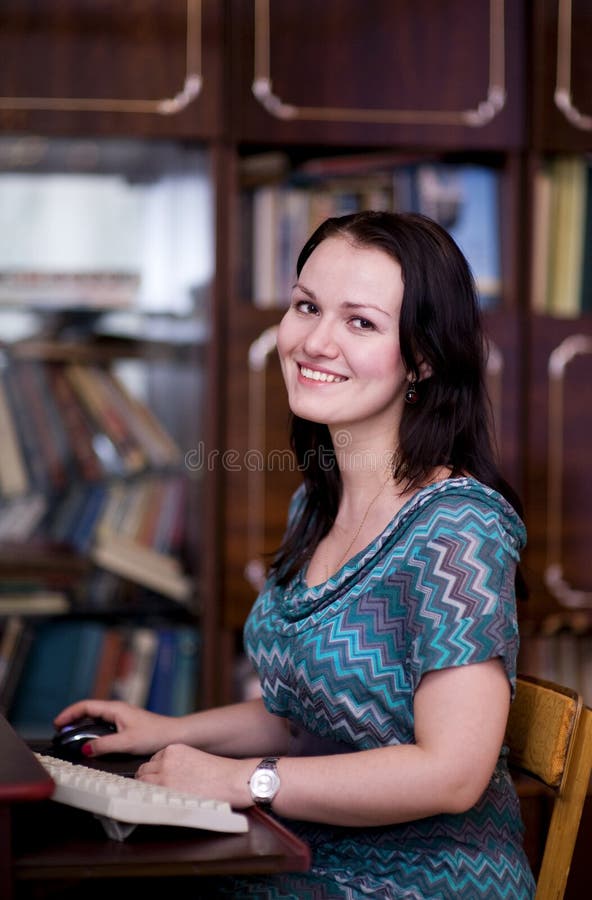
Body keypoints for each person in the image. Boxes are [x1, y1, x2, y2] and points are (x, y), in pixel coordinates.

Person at [55, 211, 536, 899]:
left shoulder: (459, 528)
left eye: (360, 322)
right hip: (304, 854)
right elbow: (301, 713)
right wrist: (167, 730)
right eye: (307, 306)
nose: (314, 341)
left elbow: (451, 774)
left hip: (423, 880)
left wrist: (241, 777)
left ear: (423, 358)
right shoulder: (317, 506)